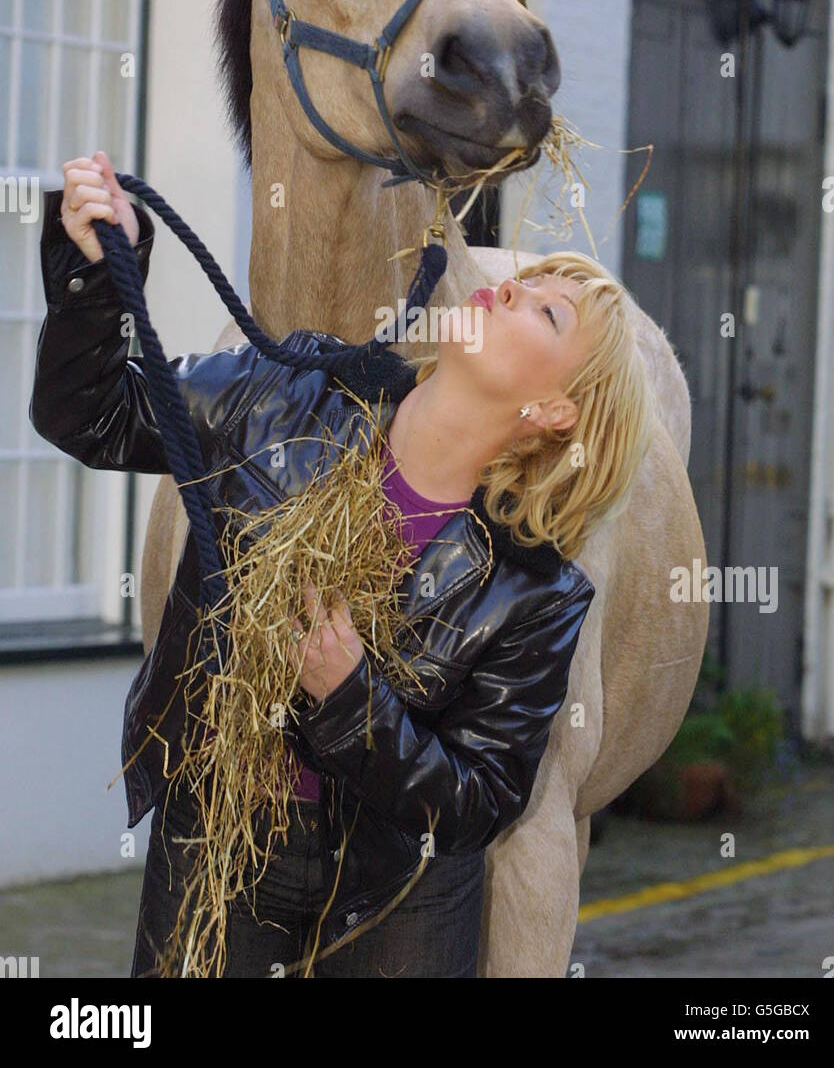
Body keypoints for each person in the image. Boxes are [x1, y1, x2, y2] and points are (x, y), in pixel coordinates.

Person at [30, 150, 656, 978]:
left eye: (545, 315)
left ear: (551, 411)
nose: (508, 287)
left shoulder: (535, 592)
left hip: (402, 893)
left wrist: (352, 697)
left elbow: (473, 805)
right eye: (524, 282)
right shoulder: (283, 394)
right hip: (219, 837)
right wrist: (97, 272)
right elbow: (91, 415)